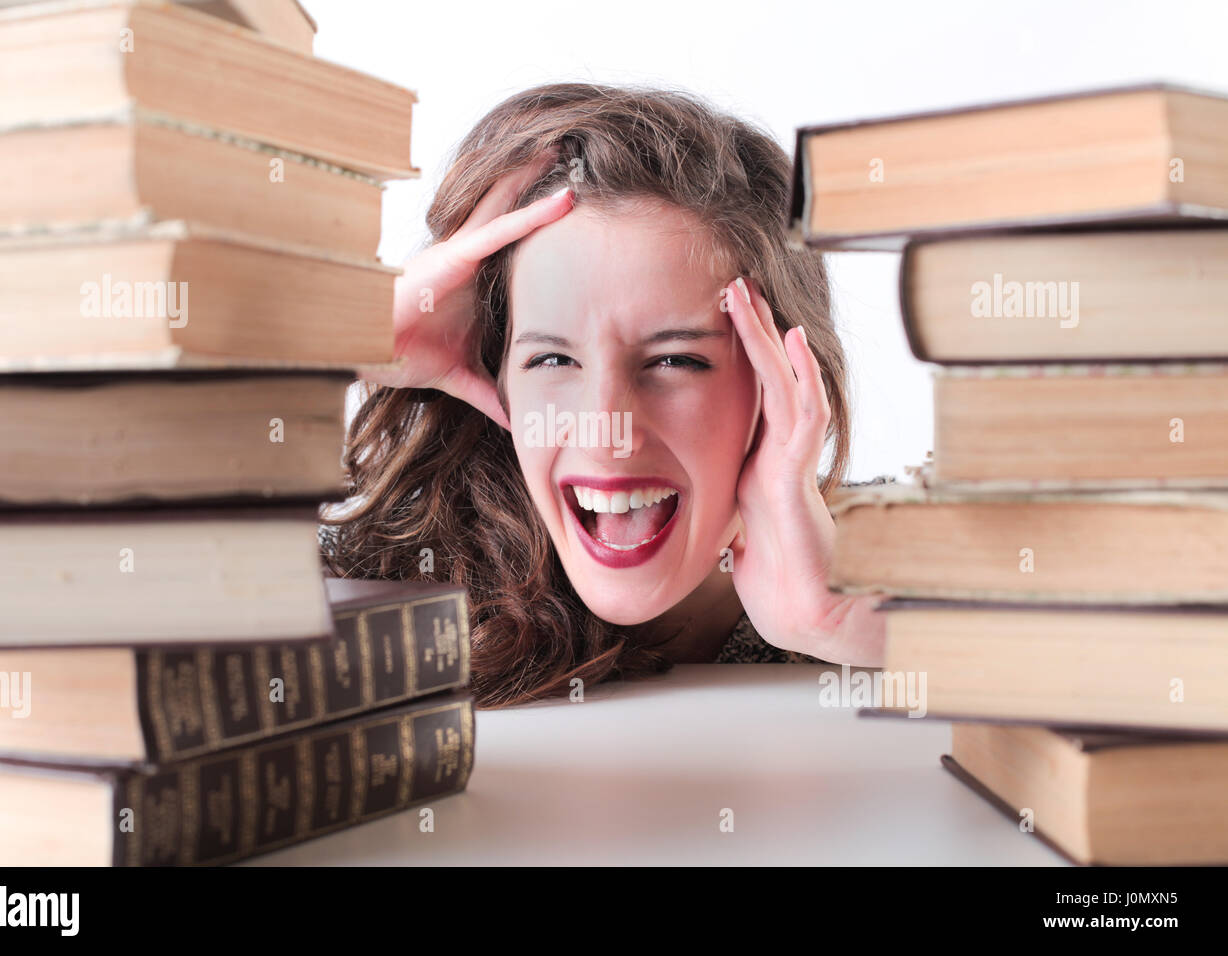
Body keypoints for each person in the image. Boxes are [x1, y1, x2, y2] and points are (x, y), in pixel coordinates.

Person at [321, 83, 885, 707]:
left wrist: (848, 623)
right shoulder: (392, 589)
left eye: (676, 360)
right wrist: (334, 347)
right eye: (552, 358)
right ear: (496, 372)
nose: (604, 432)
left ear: (784, 377)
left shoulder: (927, 550)